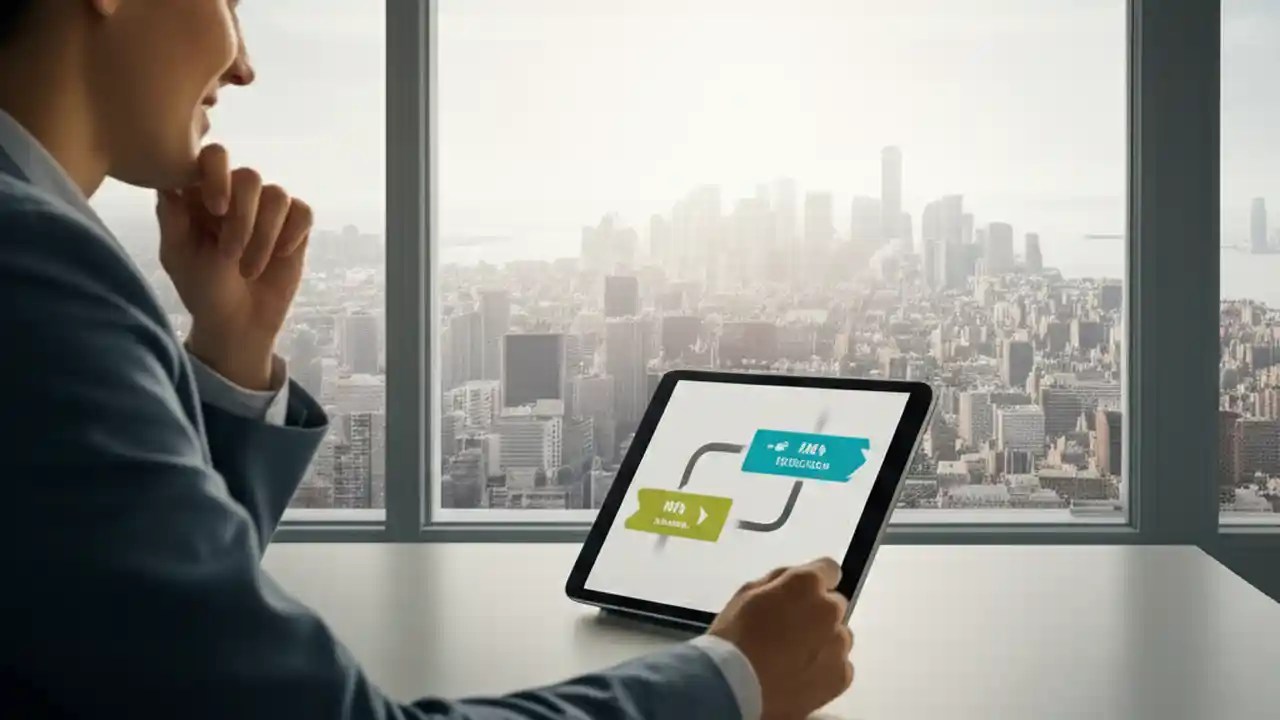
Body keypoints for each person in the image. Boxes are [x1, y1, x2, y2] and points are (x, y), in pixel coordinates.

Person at [0, 1, 855, 718]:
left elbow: (146, 639)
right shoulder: (34, 266)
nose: (244, 63)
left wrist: (231, 345)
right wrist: (732, 679)